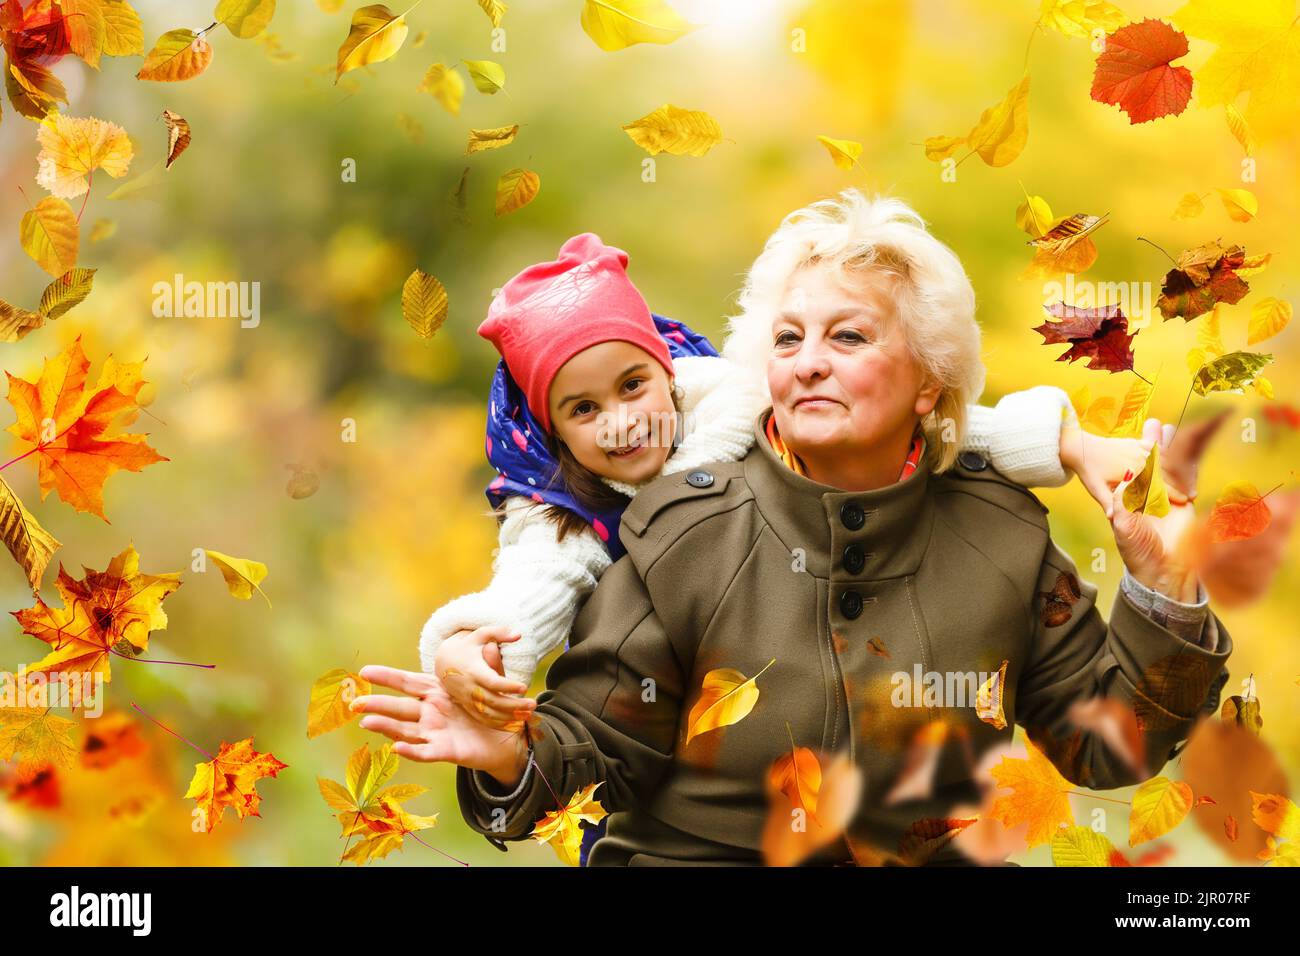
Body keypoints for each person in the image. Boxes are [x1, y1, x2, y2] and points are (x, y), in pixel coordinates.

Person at [355, 193, 1231, 864]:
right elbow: (593, 752)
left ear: (930, 382)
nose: (808, 360)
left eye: (847, 337)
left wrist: (1168, 589)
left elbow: (1107, 744)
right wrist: (511, 755)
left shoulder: (1000, 528)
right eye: (787, 338)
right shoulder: (684, 524)